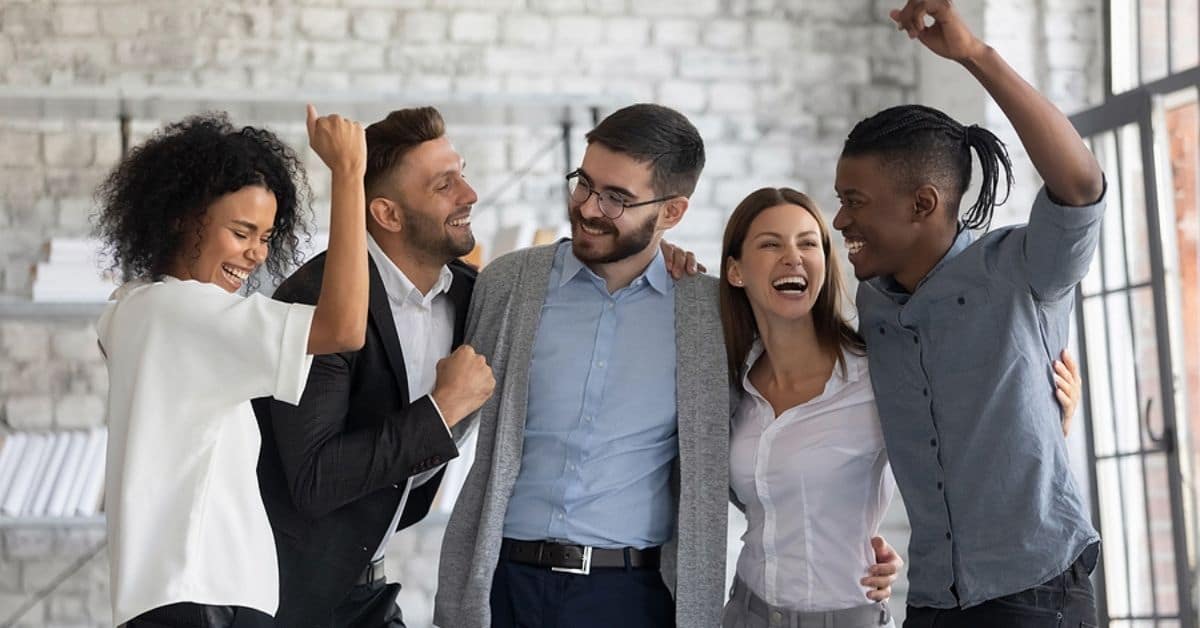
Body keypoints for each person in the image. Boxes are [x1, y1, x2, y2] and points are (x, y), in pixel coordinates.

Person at [435, 104, 902, 628]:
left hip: (632, 596)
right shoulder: (510, 284)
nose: (588, 207)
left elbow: (765, 455)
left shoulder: (707, 314)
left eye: (617, 199)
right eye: (584, 184)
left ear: (672, 213)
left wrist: (858, 550)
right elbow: (440, 427)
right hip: (503, 583)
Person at [832, 1, 1106, 625]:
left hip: (1035, 593)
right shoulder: (872, 303)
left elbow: (1081, 186)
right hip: (932, 599)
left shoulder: (1021, 271)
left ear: (923, 203)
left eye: (855, 201)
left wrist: (975, 56)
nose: (841, 219)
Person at [718, 188, 1083, 628]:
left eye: (808, 242)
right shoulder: (727, 383)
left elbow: (976, 442)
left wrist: (1046, 414)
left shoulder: (876, 375)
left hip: (849, 617)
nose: (793, 257)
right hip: (744, 612)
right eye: (771, 243)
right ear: (735, 271)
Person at [95, 106, 368, 627]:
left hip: (178, 599)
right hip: (206, 598)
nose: (255, 255)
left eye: (265, 237)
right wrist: (349, 174)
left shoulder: (135, 309)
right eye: (241, 231)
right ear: (183, 218)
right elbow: (345, 327)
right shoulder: (183, 312)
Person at [253, 106, 495, 627]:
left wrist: (660, 258)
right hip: (287, 602)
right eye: (444, 185)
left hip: (368, 585)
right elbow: (314, 480)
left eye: (463, 174)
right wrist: (441, 409)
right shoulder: (314, 302)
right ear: (387, 214)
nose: (469, 195)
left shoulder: (476, 299)